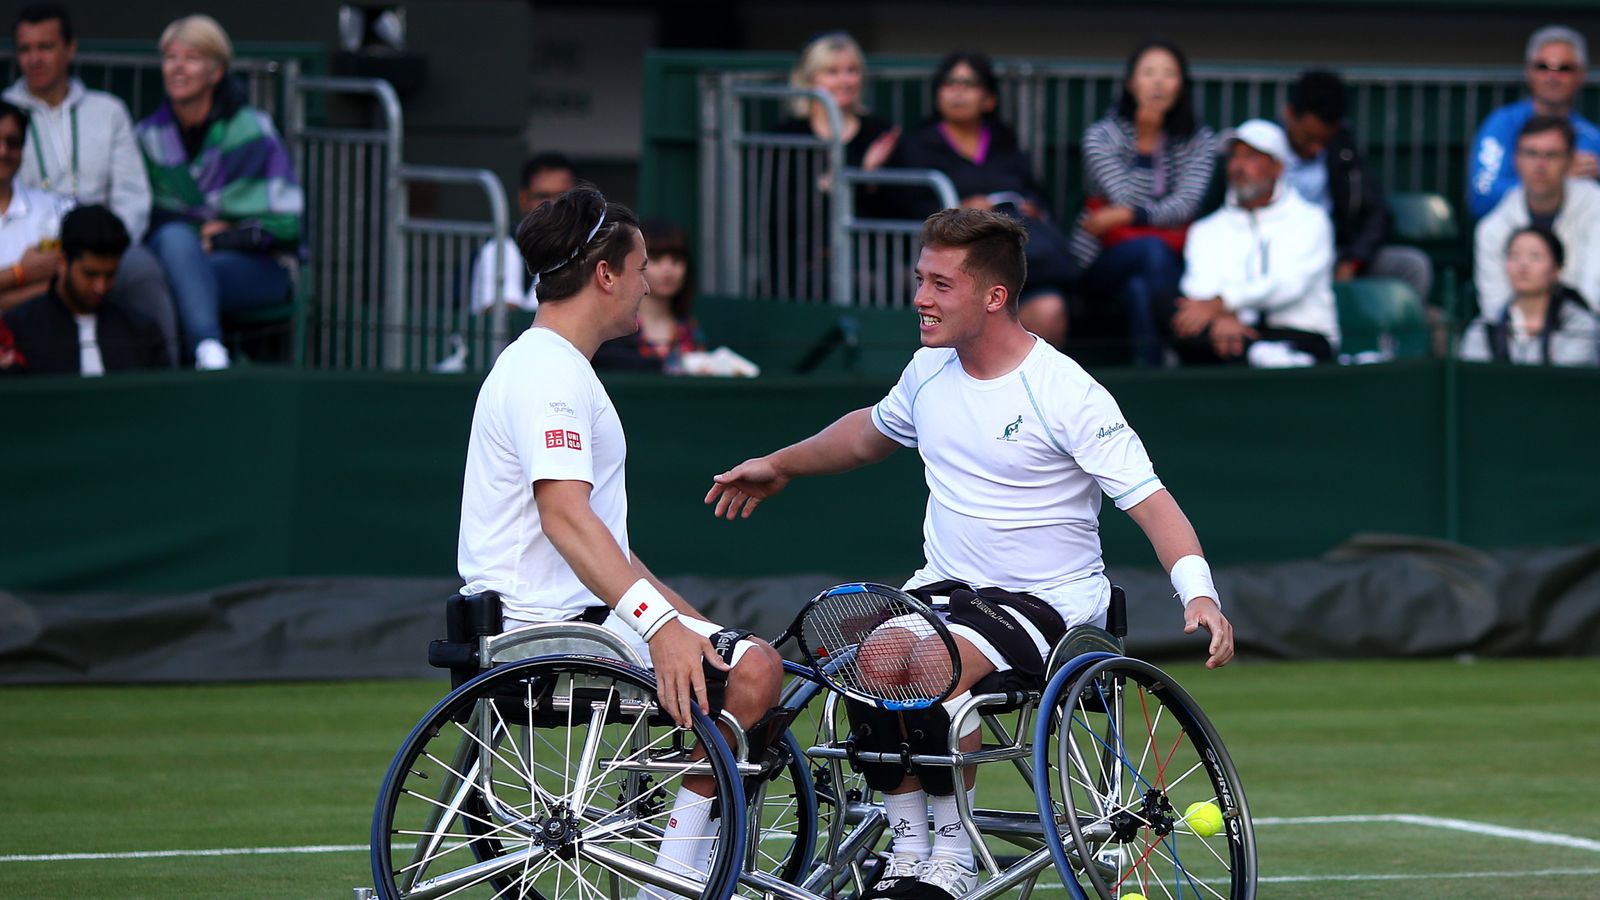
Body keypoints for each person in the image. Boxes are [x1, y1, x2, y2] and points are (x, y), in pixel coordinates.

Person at [705, 207, 1234, 898]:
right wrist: (780, 464)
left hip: (1052, 603)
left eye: (940, 284)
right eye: (920, 279)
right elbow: (869, 431)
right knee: (870, 661)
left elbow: (1151, 502)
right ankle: (909, 847)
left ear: (993, 297)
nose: (921, 298)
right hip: (944, 591)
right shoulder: (927, 370)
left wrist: (1200, 594)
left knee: (923, 663)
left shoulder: (1067, 391)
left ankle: (952, 857)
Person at [456, 184, 783, 900]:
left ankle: (678, 870)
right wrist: (660, 627)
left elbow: (603, 543)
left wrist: (690, 623)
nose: (645, 285)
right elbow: (566, 521)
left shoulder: (557, 366)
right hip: (541, 629)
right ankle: (671, 882)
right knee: (753, 671)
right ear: (605, 274)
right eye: (638, 268)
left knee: (746, 655)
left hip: (564, 615)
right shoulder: (547, 374)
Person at [5, 2, 179, 365]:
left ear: (70, 48)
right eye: (25, 49)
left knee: (141, 270)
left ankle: (168, 380)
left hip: (108, 243)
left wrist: (106, 243)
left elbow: (132, 195)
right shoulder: (5, 117)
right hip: (37, 245)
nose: (34, 59)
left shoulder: (108, 110)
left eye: (46, 47)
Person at [136, 14, 302, 371]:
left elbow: (286, 225)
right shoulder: (148, 137)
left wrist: (225, 238)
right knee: (176, 247)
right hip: (178, 257)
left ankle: (202, 359)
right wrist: (200, 235)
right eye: (170, 58)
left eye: (191, 58)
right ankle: (211, 354)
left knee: (177, 278)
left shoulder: (252, 130)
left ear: (216, 71)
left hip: (257, 266)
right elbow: (146, 215)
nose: (177, 68)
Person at [896, 50, 1075, 348]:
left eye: (969, 84)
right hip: (953, 273)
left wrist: (1029, 207)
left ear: (989, 99)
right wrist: (960, 210)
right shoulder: (918, 146)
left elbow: (1036, 194)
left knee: (1050, 311)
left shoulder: (1004, 141)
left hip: (1011, 264)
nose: (958, 92)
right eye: (950, 83)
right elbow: (905, 208)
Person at [1070, 38, 1216, 367]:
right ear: (1131, 83)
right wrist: (1146, 143)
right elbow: (1126, 195)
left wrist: (1127, 215)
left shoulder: (1199, 139)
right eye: (1148, 73)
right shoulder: (1102, 136)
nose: (1158, 82)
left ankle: (1149, 366)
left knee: (1139, 287)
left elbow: (1186, 205)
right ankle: (1177, 341)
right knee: (1151, 249)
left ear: (1182, 84)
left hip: (1176, 255)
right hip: (1102, 256)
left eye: (1169, 74)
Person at [1174, 119, 1339, 365]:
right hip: (1231, 333)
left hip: (1302, 333)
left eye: (1251, 157)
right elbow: (1198, 288)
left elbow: (1289, 285)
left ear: (1278, 167)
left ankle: (1263, 355)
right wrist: (1221, 316)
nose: (1239, 167)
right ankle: (1260, 354)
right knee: (1176, 315)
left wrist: (1223, 303)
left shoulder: (1311, 220)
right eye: (1234, 157)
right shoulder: (1205, 229)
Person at [1280, 70, 1434, 305]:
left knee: (1412, 265)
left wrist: (1353, 260)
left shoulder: (1343, 151)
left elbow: (1378, 214)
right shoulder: (1263, 151)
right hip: (1279, 258)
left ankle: (1398, 340)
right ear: (1289, 114)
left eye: (1324, 141)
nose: (1316, 149)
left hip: (1334, 255)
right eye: (1309, 138)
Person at [3, 204, 168, 375]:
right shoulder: (19, 329)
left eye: (110, 275)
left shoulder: (140, 331)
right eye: (90, 274)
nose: (100, 287)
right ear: (62, 262)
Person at [1469, 25, 1600, 219]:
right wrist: (1558, 181)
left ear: (1581, 75)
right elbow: (1481, 198)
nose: (1552, 76)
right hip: (1513, 242)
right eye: (1542, 67)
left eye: (1564, 68)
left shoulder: (1592, 138)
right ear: (1528, 71)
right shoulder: (1503, 124)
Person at [1474, 115, 1600, 318]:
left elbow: (1593, 294)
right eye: (1531, 154)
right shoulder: (1492, 228)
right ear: (1516, 160)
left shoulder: (1596, 206)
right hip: (1517, 341)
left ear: (1569, 161)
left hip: (1586, 335)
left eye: (1551, 155)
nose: (1540, 165)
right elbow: (1495, 310)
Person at [774, 31, 901, 209]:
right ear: (809, 80)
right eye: (832, 72)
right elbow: (780, 209)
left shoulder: (880, 134)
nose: (845, 80)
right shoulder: (786, 136)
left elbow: (896, 208)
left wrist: (871, 178)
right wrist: (858, 176)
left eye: (852, 70)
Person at [1461, 227, 1597, 366]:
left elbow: (1568, 380)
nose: (1523, 265)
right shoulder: (1486, 326)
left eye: (1535, 256)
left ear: (1556, 269)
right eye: (1514, 256)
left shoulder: (1579, 324)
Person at [468, 151, 577, 314]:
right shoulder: (501, 249)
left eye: (562, 196)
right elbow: (503, 320)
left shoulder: (590, 248)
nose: (554, 205)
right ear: (523, 199)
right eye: (543, 196)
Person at [594, 217, 706, 371]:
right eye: (656, 259)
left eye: (676, 260)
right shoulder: (616, 326)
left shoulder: (689, 330)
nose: (667, 270)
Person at [0, 99, 68, 311]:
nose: (3, 152)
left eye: (13, 142)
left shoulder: (54, 209)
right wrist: (21, 274)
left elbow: (66, 286)